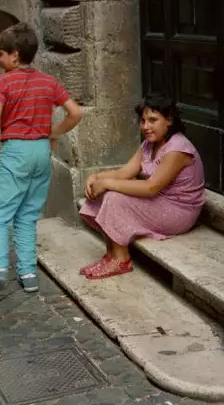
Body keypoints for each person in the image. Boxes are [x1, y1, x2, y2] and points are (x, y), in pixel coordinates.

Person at [0, 23, 83, 301]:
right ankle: (28, 274)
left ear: (15, 55)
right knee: (28, 216)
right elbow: (75, 113)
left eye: (2, 54)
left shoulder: (3, 83)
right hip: (42, 152)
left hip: (15, 151)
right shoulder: (48, 82)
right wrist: (52, 133)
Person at [78, 93, 206, 280]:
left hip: (179, 211)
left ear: (169, 120)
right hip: (159, 201)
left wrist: (107, 184)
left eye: (153, 120)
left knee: (114, 196)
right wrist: (97, 177)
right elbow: (124, 173)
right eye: (143, 121)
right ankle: (111, 255)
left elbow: (151, 188)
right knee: (103, 193)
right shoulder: (148, 144)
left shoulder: (178, 149)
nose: (146, 126)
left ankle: (121, 260)